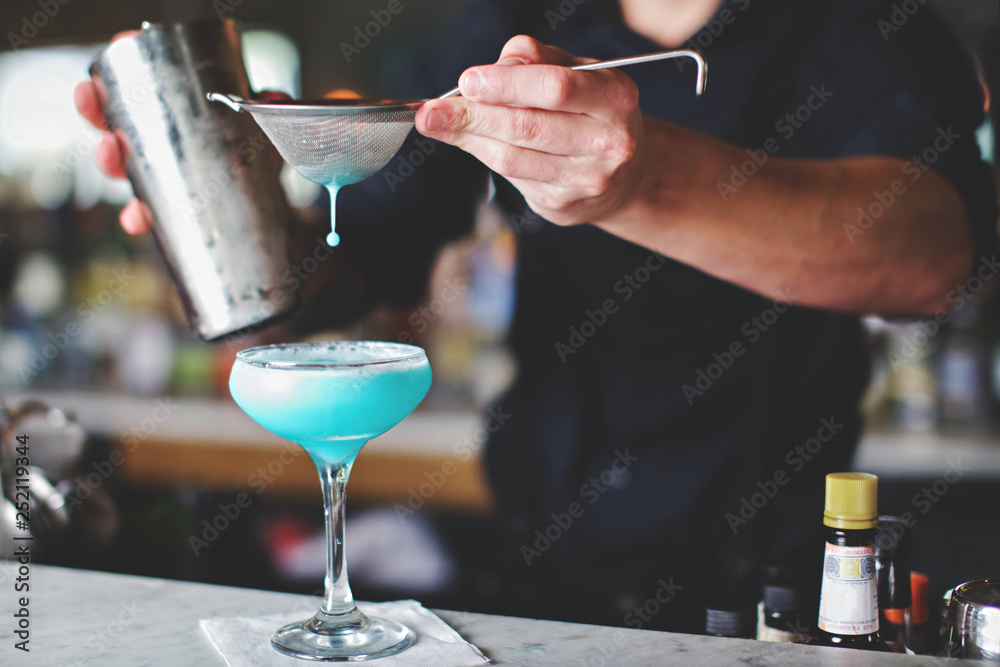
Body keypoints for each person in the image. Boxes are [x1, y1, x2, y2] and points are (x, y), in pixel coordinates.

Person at [76, 0, 996, 633]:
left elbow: (936, 253)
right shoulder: (516, 21)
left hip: (768, 590)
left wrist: (639, 180)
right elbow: (352, 268)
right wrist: (222, 222)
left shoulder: (864, 26)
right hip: (543, 567)